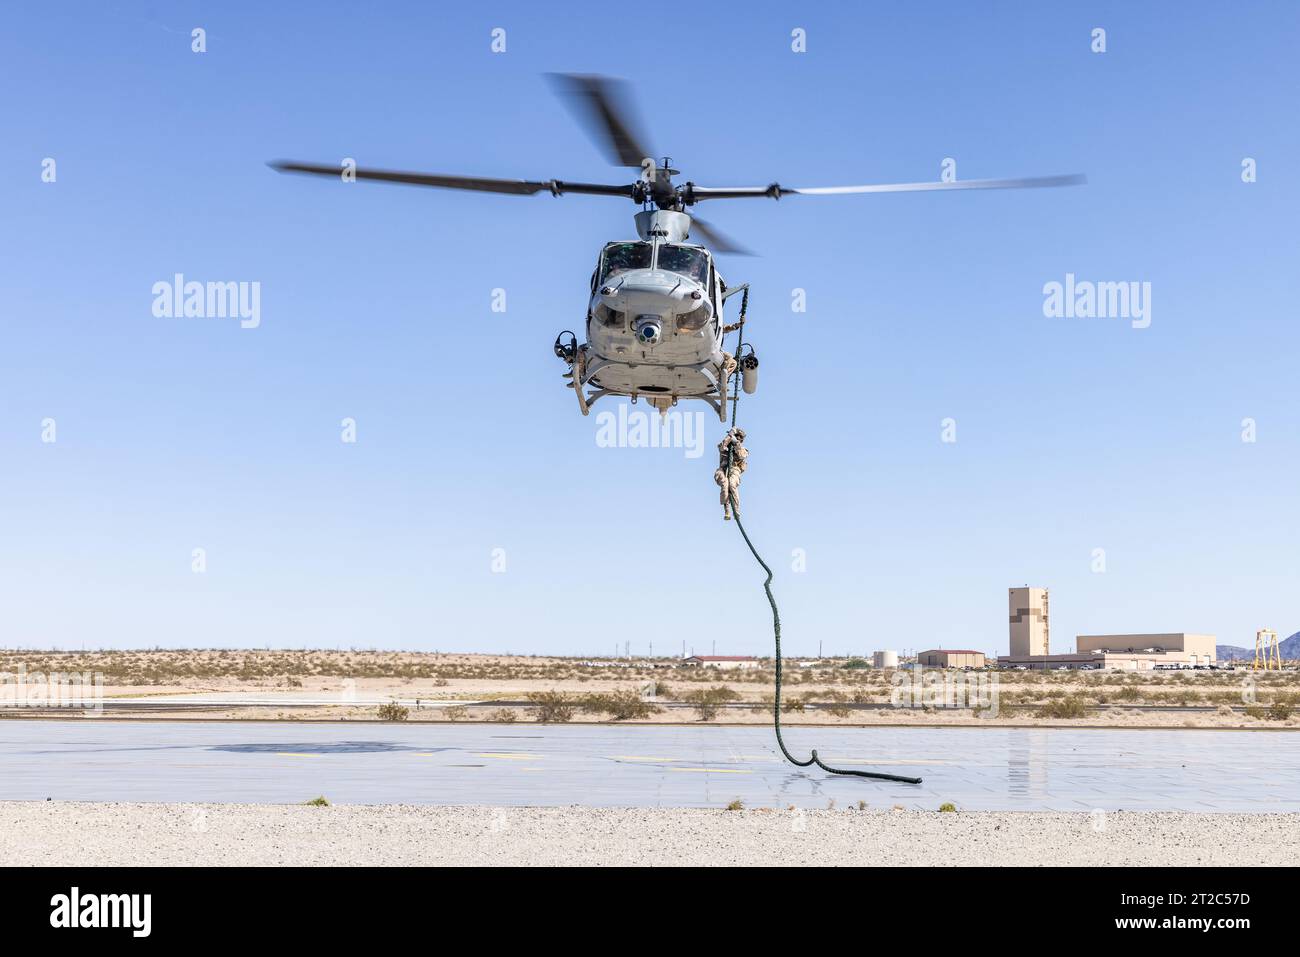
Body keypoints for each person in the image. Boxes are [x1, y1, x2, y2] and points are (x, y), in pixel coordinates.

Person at [713, 427, 748, 520]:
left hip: (735, 470)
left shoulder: (743, 450)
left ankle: (736, 510)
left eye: (740, 438)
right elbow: (721, 447)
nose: (738, 439)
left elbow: (741, 455)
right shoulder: (725, 446)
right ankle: (727, 510)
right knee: (725, 484)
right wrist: (730, 435)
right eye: (737, 437)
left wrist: (736, 443)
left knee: (732, 484)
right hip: (723, 470)